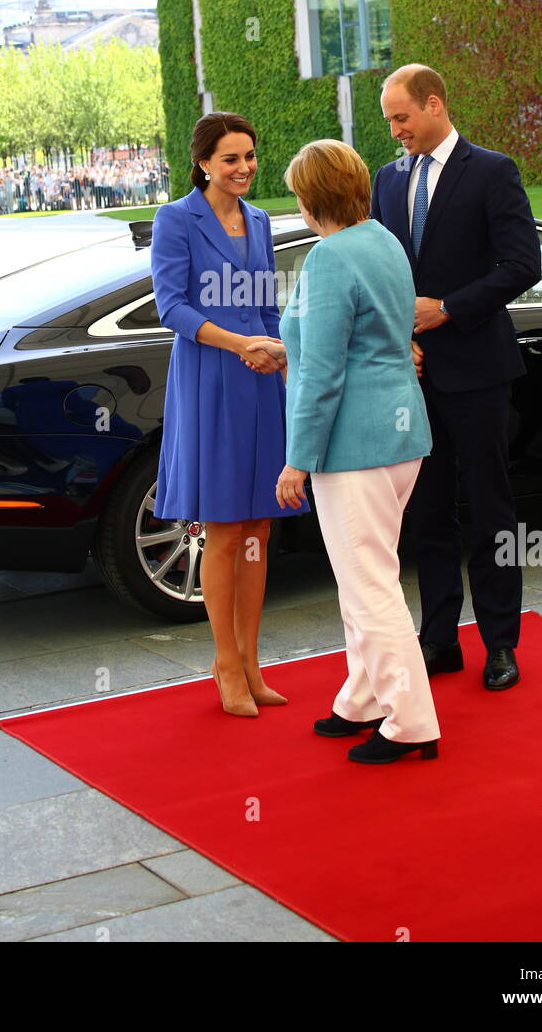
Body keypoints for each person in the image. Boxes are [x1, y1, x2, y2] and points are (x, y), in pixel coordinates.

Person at [247, 139, 440, 765]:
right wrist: (291, 353)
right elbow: (371, 336)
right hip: (398, 433)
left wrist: (296, 459)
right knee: (365, 577)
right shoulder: (384, 240)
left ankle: (411, 720)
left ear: (308, 199)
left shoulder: (329, 258)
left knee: (368, 586)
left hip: (352, 445)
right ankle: (362, 696)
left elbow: (327, 372)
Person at [372, 64, 541, 690]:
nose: (394, 132)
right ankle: (438, 639)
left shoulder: (492, 172)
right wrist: (400, 335)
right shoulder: (387, 181)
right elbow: (380, 270)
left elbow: (523, 263)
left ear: (434, 104)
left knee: (491, 509)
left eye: (401, 118)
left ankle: (502, 643)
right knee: (427, 511)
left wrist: (447, 308)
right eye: (390, 120)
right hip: (407, 375)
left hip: (478, 370)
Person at [150, 111, 306, 718]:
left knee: (261, 526)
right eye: (231, 159)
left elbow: (265, 304)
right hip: (210, 379)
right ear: (204, 163)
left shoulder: (262, 221)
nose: (244, 168)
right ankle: (224, 664)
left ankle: (251, 662)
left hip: (261, 381)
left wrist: (281, 359)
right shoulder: (175, 219)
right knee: (224, 528)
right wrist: (242, 345)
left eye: (249, 156)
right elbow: (173, 308)